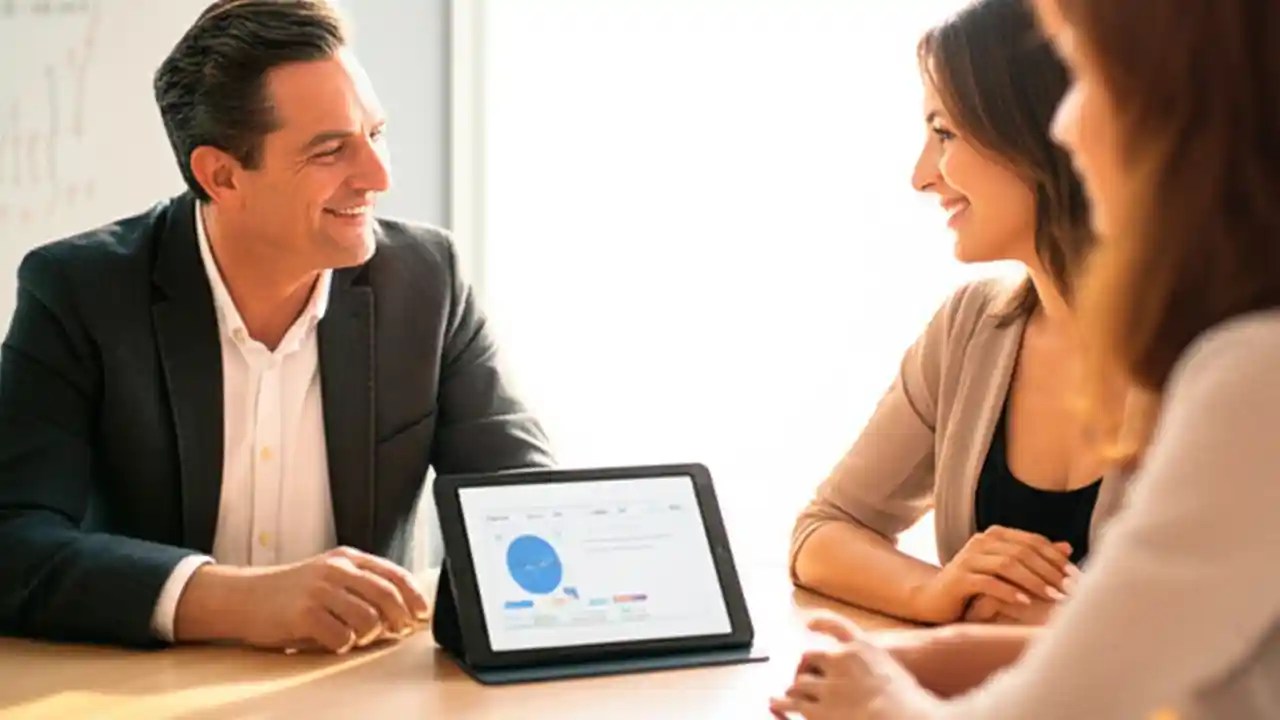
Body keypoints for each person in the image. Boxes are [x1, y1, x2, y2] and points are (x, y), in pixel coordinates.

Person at [771, 0, 1280, 716]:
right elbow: (824, 527)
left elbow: (1101, 679)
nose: (1070, 124)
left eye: (1088, 82)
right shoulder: (974, 327)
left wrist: (884, 696)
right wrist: (928, 609)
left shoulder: (1245, 370)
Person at [0, 0, 553, 653]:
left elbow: (525, 507)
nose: (378, 177)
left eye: (375, 134)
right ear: (223, 175)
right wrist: (233, 600)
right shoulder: (81, 291)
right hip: (147, 691)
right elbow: (12, 542)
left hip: (360, 689)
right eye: (330, 150)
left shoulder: (428, 282)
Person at [791, 0, 1114, 627]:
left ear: (1045, 128)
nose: (920, 177)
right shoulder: (973, 328)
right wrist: (937, 592)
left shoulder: (1221, 353)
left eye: (944, 133)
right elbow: (824, 532)